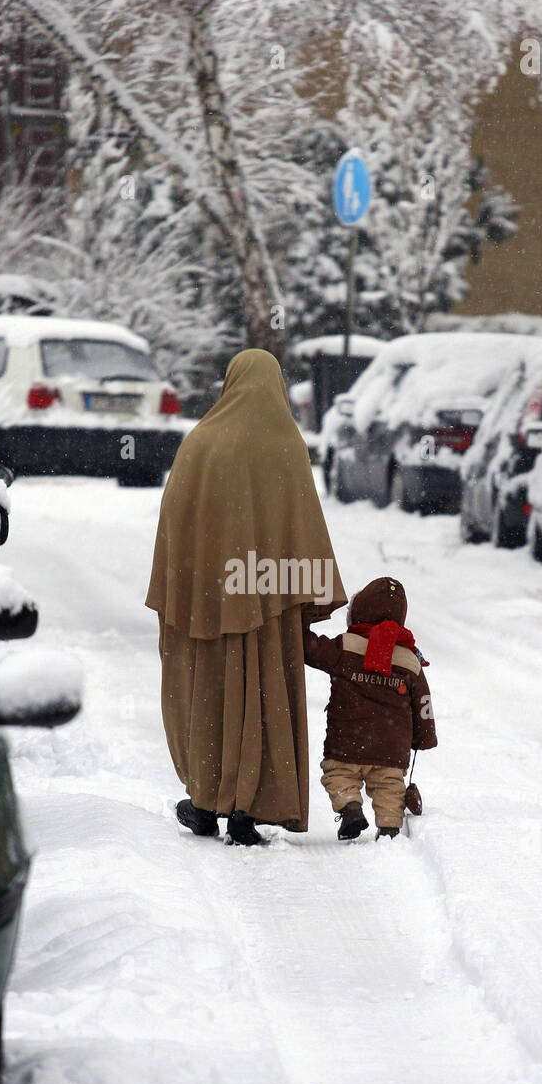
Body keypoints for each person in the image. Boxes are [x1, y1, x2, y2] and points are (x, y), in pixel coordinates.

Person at [146, 348, 346, 846]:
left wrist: (190, 588)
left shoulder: (200, 443)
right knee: (263, 693)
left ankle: (205, 797)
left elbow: (175, 526)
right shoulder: (287, 446)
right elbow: (303, 531)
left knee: (207, 689)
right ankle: (251, 804)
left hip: (207, 603)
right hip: (268, 601)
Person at [302, 575, 437, 840]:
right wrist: (424, 738)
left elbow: (312, 649)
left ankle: (350, 806)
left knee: (339, 774)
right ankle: (388, 826)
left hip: (347, 742)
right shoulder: (410, 661)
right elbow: (424, 703)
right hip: (390, 749)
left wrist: (297, 629)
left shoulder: (346, 646)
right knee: (390, 787)